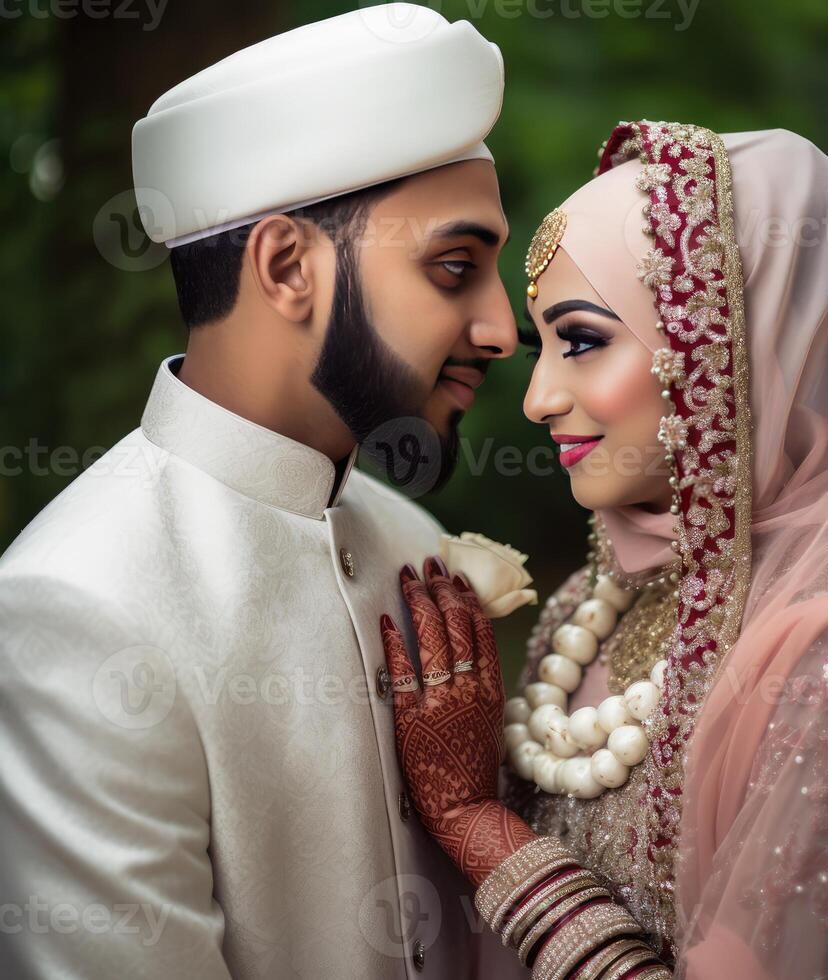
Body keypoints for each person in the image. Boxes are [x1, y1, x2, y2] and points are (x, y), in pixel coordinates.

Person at [380, 121, 828, 978]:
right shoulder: (592, 605)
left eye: (582, 341)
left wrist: (482, 826)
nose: (540, 398)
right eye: (540, 344)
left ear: (729, 348)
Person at [0, 5, 517, 978]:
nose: (497, 328)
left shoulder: (416, 539)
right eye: (455, 267)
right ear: (286, 267)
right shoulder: (73, 605)